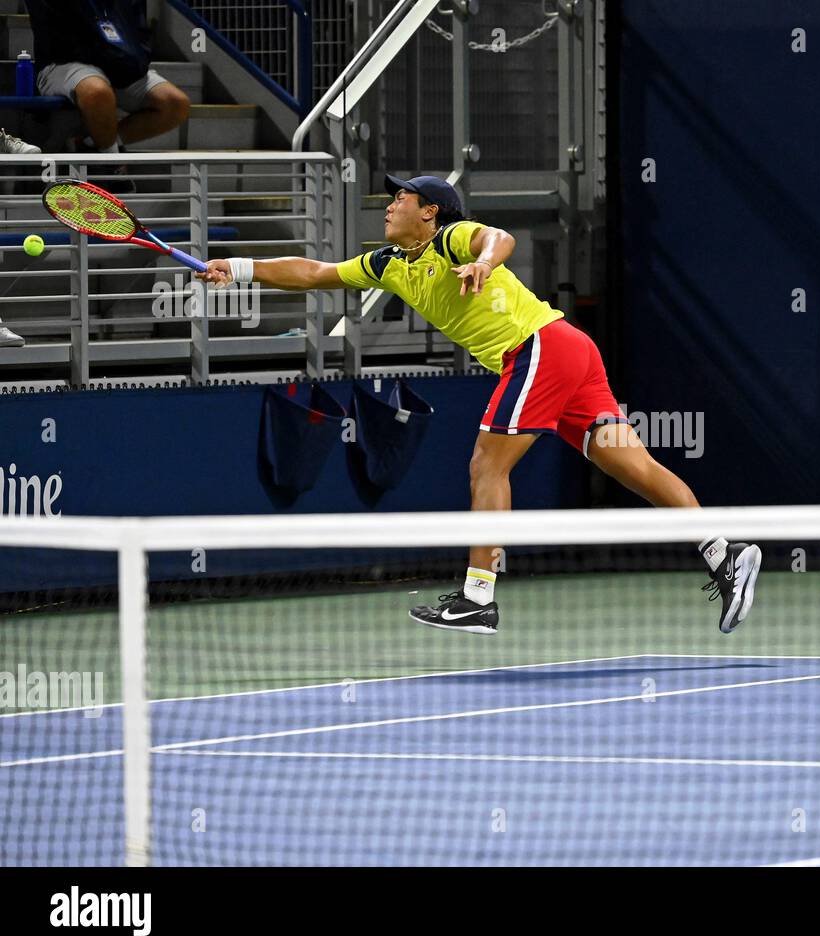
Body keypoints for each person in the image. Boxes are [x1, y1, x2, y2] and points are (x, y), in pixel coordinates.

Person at [197, 174, 762, 635]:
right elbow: (316, 272)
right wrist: (241, 268)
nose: (390, 205)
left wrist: (484, 264)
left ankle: (477, 598)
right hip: (572, 356)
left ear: (431, 213)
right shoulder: (390, 264)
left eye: (402, 198)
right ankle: (723, 553)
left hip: (538, 349)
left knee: (487, 465)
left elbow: (499, 239)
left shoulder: (453, 237)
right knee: (632, 464)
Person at [25, 1, 190, 185]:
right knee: (98, 92)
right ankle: (111, 165)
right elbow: (60, 35)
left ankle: (91, 144)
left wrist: (128, 60)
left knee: (175, 103)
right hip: (64, 61)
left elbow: (137, 35)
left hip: (117, 62)